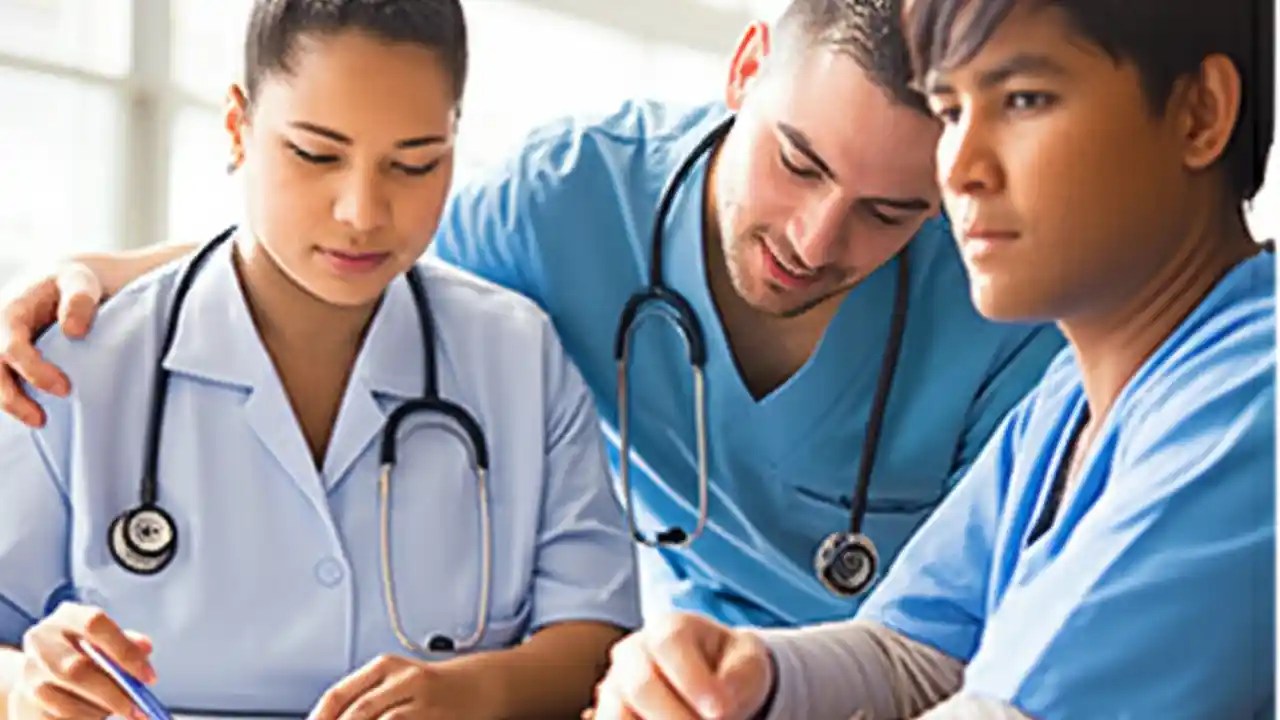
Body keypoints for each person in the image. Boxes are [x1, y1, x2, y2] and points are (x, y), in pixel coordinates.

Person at [0, 0, 1064, 629]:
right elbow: (364, 249)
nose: (816, 240)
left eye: (890, 213)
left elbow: (1008, 616)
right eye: (795, 164)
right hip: (676, 677)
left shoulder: (1007, 306)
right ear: (744, 70)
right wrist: (122, 267)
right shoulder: (572, 200)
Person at [589, 0, 1276, 717]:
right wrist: (744, 678)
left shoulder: (1255, 403)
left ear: (1200, 115)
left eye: (1023, 101)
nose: (960, 170)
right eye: (950, 111)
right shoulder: (1070, 397)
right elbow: (922, 655)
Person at [0, 1, 642, 718]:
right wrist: (21, 685)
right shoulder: (80, 365)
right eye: (316, 154)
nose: (363, 212)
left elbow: (598, 636)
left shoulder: (518, 357)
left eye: (414, 163)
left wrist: (473, 691)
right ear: (238, 127)